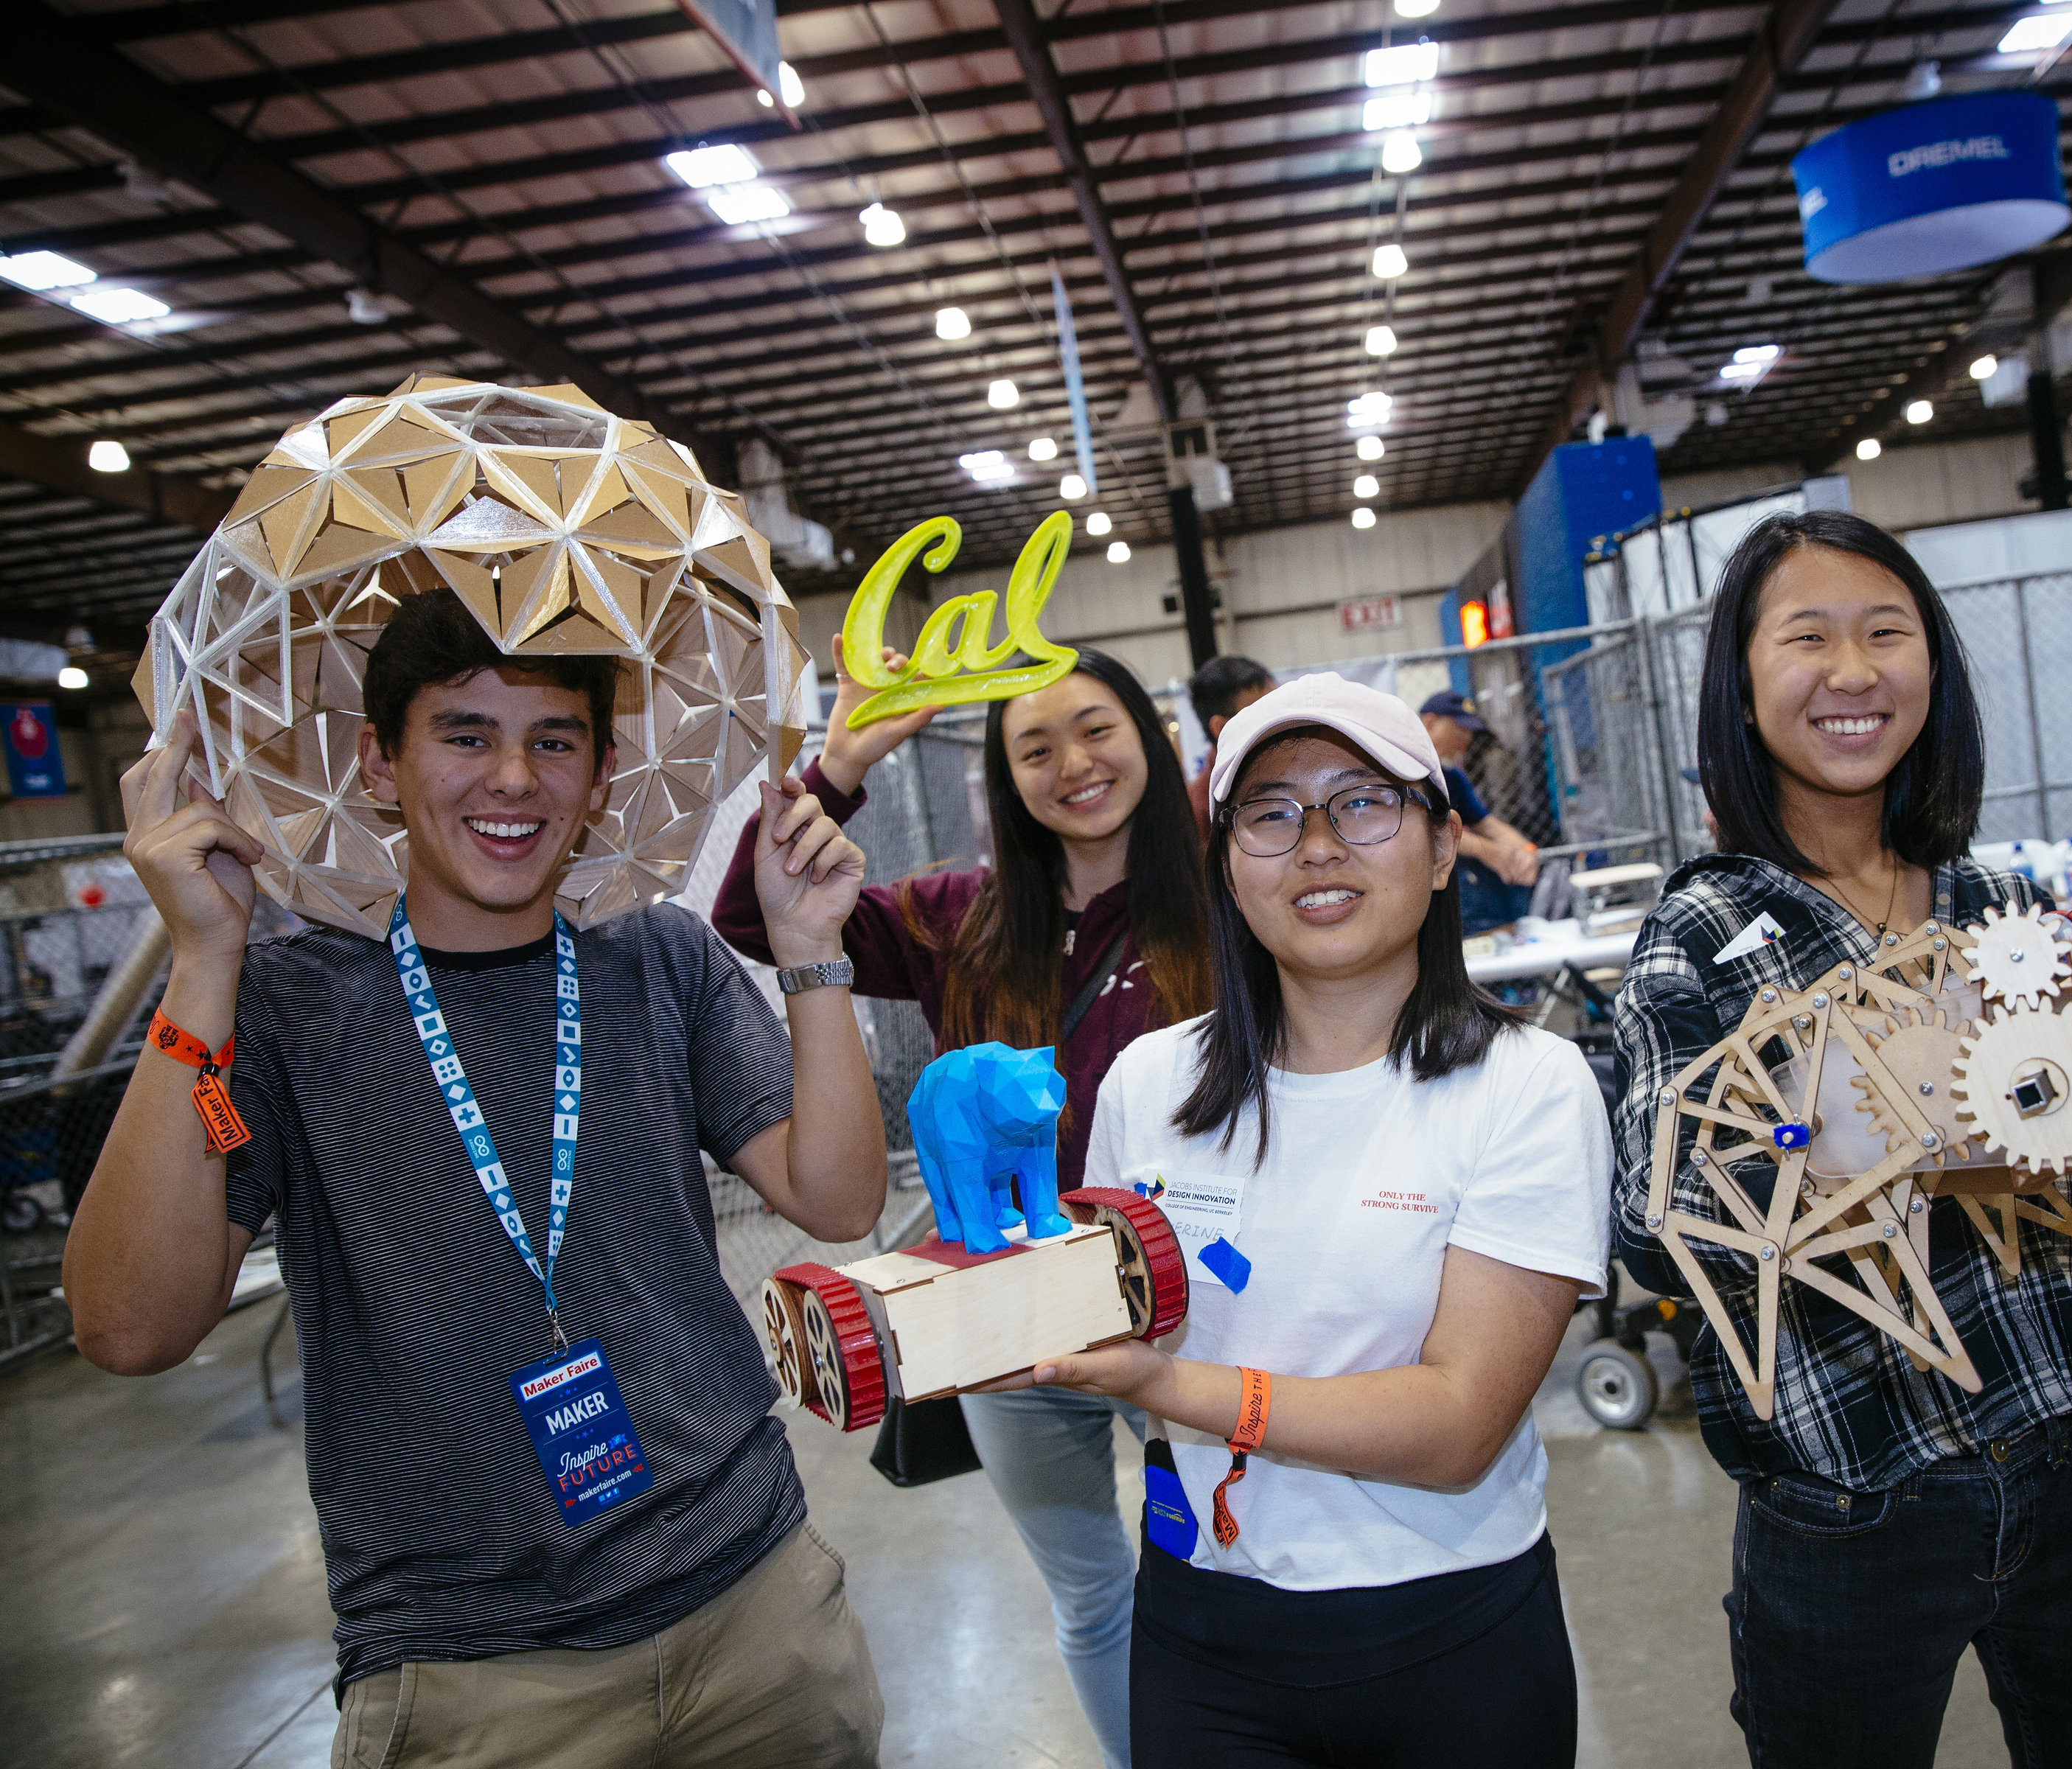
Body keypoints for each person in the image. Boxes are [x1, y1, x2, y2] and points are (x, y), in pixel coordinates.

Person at [68, 589, 890, 1765]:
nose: (512, 778)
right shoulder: (287, 1007)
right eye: (464, 734)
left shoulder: (658, 959)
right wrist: (204, 960)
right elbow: (128, 1327)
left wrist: (811, 952)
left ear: (599, 774)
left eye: (553, 740)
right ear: (378, 760)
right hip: (469, 1664)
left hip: (756, 1605)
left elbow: (840, 1199)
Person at [1608, 511, 2072, 1769]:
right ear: (1740, 686)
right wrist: (1895, 1136)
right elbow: (1655, 1234)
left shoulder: (2001, 907)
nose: (1855, 672)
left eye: (1887, 633)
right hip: (1856, 1500)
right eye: (1807, 638)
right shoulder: (1700, 937)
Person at [1022, 673, 1608, 1767]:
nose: (1319, 846)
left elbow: (1458, 1428)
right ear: (1227, 868)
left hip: (1451, 1624)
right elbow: (1109, 1310)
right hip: (1202, 1624)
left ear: (1444, 848)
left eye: (1364, 803)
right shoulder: (1149, 1081)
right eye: (1272, 814)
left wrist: (1165, 1387)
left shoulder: (1527, 1084)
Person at [714, 639, 1211, 1769]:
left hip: (1181, 1308)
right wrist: (843, 760)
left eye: (1096, 729)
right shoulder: (958, 916)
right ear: (1005, 776)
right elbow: (751, 916)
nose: (1072, 764)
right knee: (1094, 1597)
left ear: (1145, 735)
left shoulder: (1224, 902)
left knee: (1224, 1570)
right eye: (1035, 748)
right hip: (1012, 1331)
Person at [1415, 691, 1540, 929]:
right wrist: (1488, 851)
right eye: (1459, 732)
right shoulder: (1402, 771)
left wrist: (1525, 850)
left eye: (1469, 735)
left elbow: (1487, 824)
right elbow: (1425, 829)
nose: (1465, 742)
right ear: (1430, 723)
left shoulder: (1452, 778)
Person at [1187, 655, 1277, 834]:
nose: (1279, 722)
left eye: (1283, 707)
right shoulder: (1195, 810)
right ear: (1221, 728)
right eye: (1263, 715)